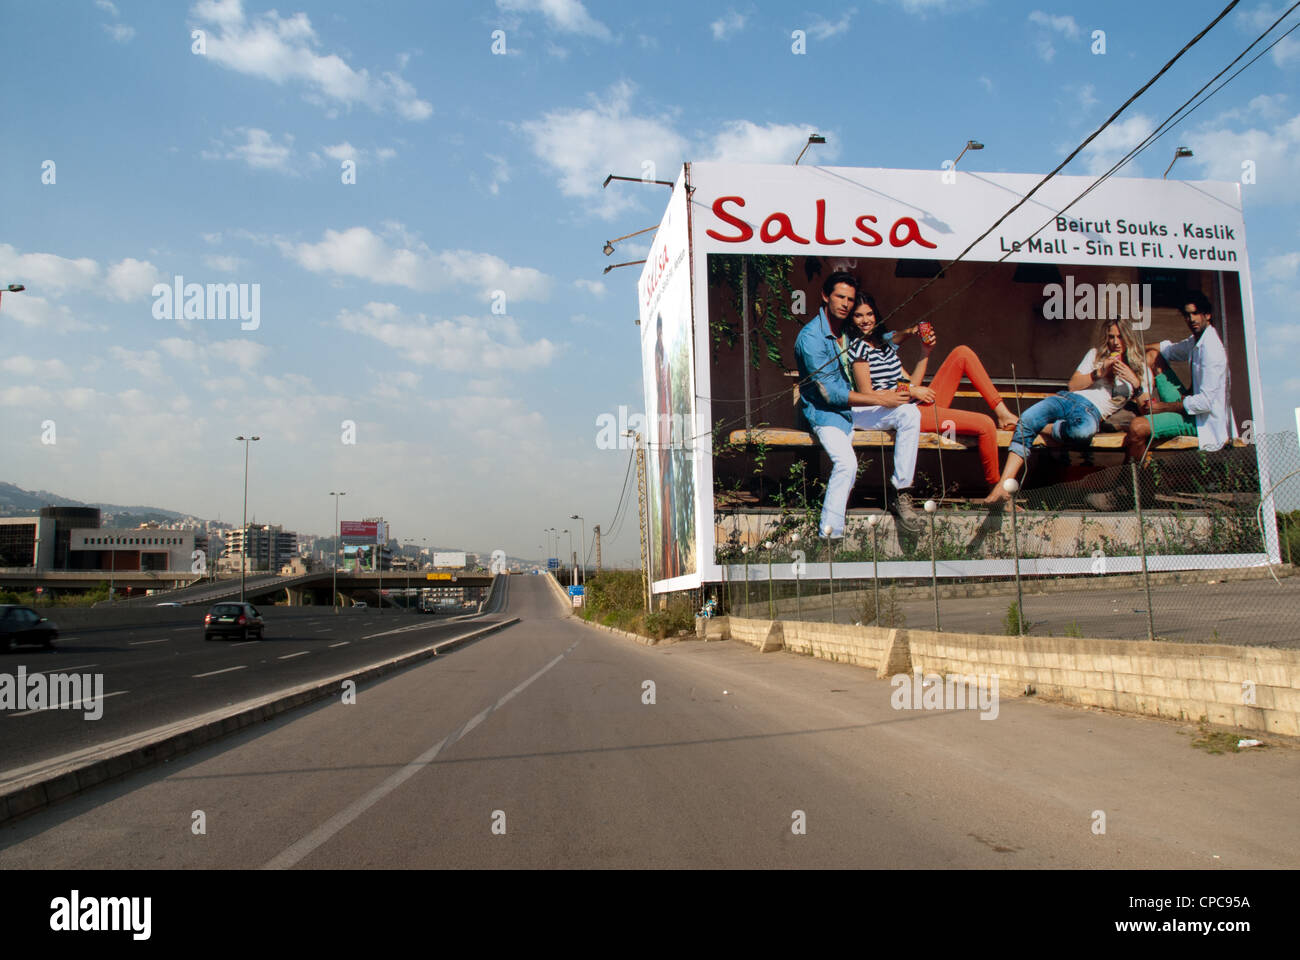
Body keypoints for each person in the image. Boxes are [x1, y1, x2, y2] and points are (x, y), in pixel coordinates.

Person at [794, 272, 922, 534]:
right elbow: (830, 394)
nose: (845, 304)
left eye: (850, 300)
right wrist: (881, 397)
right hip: (827, 413)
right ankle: (831, 537)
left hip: (857, 411)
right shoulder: (811, 339)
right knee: (847, 464)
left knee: (909, 413)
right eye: (840, 297)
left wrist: (914, 337)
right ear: (825, 296)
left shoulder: (848, 330)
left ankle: (902, 491)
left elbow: (885, 341)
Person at [847, 293, 1018, 489]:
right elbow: (868, 393)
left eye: (869, 314)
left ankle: (1003, 413)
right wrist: (912, 392)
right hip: (906, 413)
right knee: (985, 425)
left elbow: (910, 383)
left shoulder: (883, 346)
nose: (865, 320)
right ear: (851, 320)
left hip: (916, 404)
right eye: (858, 316)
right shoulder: (858, 348)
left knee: (962, 353)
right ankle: (997, 489)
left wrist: (925, 352)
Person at [985, 318, 1147, 503]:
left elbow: (1146, 407)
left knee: (1082, 433)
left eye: (1120, 337)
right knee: (1028, 417)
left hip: (1091, 412)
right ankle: (1003, 486)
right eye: (1111, 337)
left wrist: (1135, 383)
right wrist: (1099, 373)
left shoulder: (1139, 367)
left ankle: (1044, 427)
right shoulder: (1095, 355)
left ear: (1129, 338)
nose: (1115, 342)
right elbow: (1073, 385)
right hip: (1068, 400)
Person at [1125, 291, 1230, 462]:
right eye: (1187, 315)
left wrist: (1164, 407)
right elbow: (1168, 349)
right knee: (1153, 355)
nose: (1192, 320)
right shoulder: (1196, 340)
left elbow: (1205, 403)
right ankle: (1143, 402)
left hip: (1201, 420)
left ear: (1207, 315)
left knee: (1136, 427)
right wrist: (1132, 348)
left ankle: (1141, 482)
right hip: (1186, 404)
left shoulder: (1211, 349)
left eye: (1195, 313)